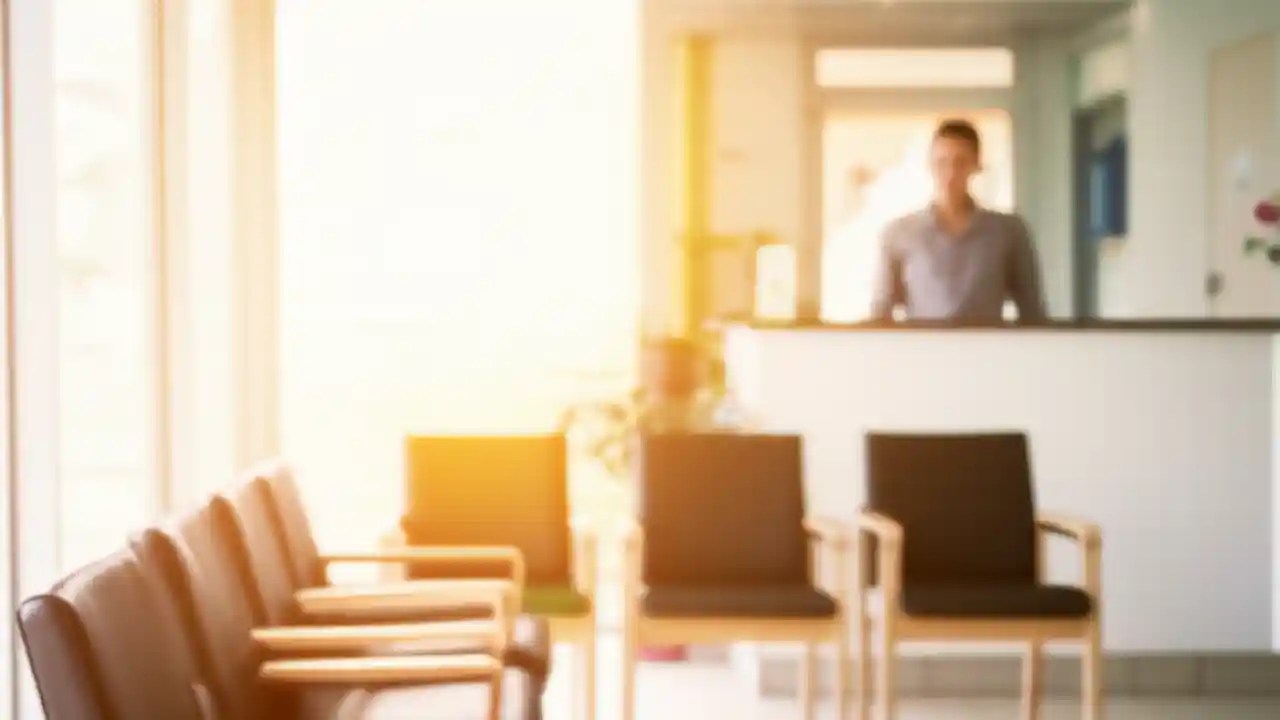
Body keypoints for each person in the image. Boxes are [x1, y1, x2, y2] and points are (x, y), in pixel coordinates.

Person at [869, 119, 1046, 323]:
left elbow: (1032, 312)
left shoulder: (1009, 231)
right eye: (941, 163)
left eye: (960, 162)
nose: (950, 173)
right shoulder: (899, 233)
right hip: (923, 342)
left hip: (987, 342)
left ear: (977, 164)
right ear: (929, 164)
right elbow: (880, 314)